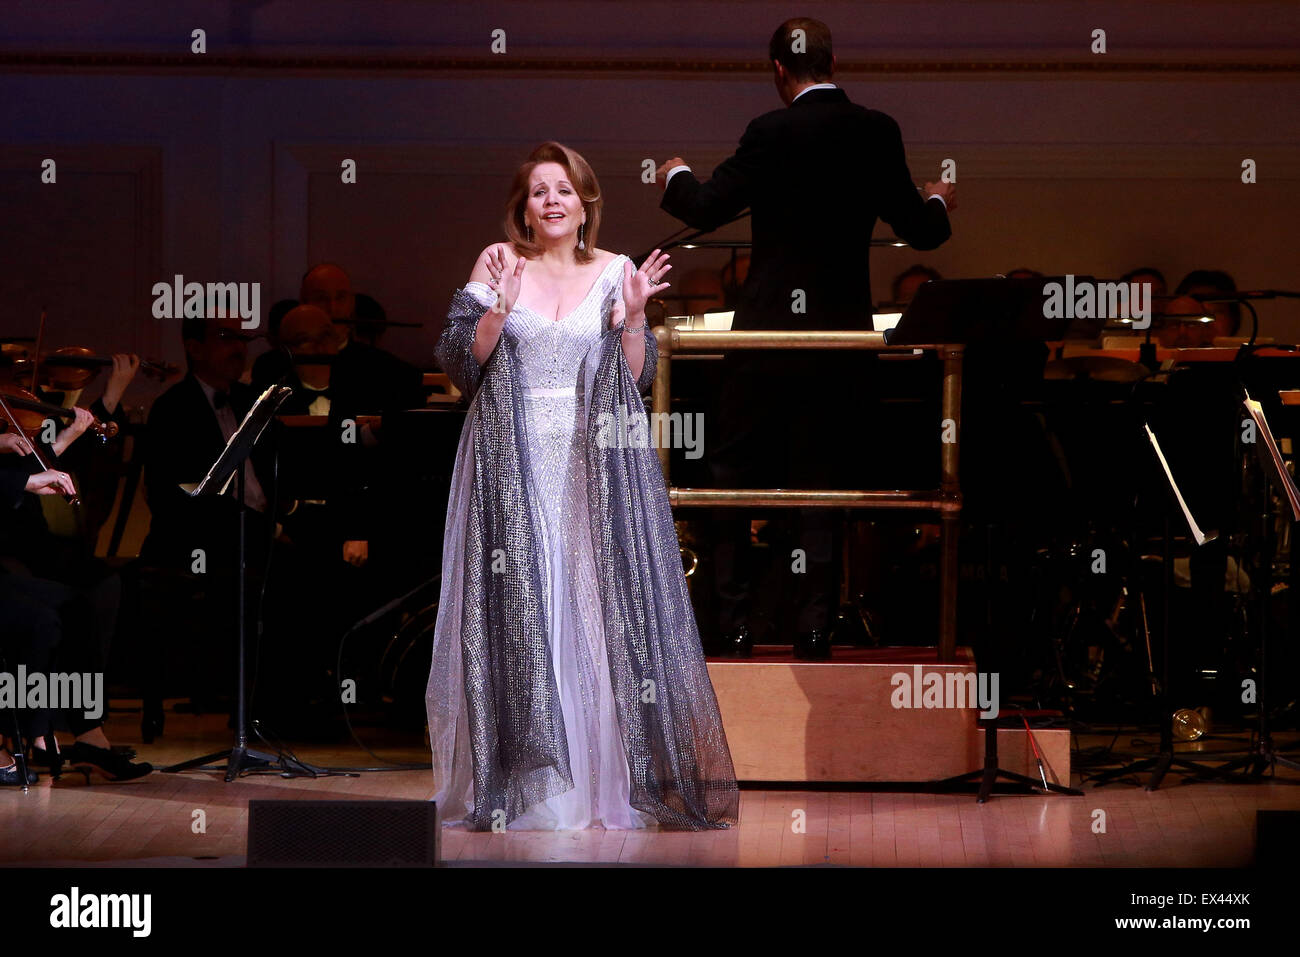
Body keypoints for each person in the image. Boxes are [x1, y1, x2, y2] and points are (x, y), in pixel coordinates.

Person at [426, 141, 739, 832]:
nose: (552, 201)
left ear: (586, 201)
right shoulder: (498, 261)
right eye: (539, 191)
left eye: (563, 189)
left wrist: (632, 316)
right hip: (511, 456)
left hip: (586, 462)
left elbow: (631, 378)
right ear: (524, 207)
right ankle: (525, 785)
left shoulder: (616, 270)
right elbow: (459, 364)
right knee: (522, 599)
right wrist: (496, 313)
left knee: (592, 603)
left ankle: (598, 785)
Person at [653, 17, 954, 655]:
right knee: (824, 480)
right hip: (838, 341)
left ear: (779, 72)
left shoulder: (770, 131)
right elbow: (923, 234)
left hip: (766, 337)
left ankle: (730, 625)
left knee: (731, 477)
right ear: (834, 60)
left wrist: (674, 174)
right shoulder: (876, 130)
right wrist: (938, 198)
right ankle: (813, 626)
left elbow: (705, 207)